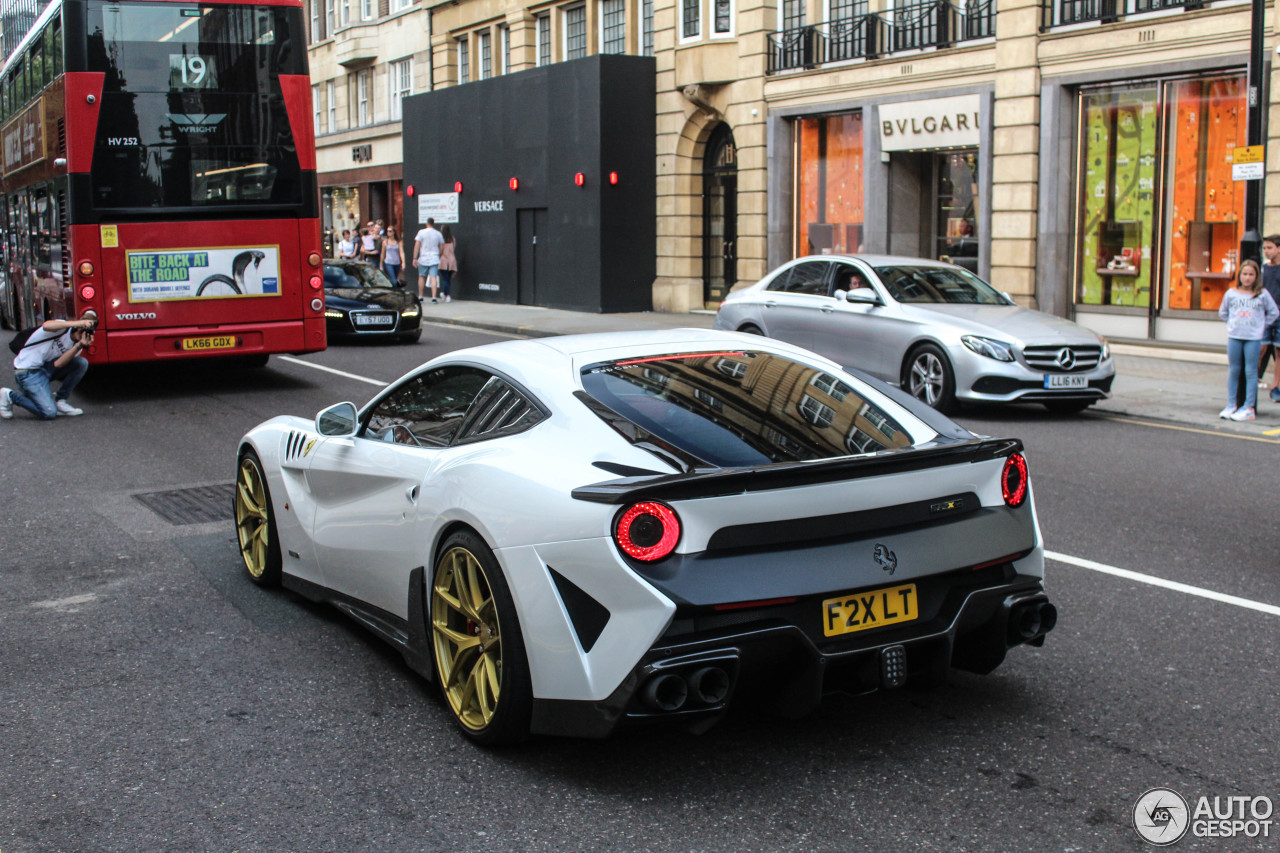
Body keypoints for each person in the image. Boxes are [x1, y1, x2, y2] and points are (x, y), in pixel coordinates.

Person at [1, 310, 98, 420]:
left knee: (81, 363)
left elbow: (58, 364)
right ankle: (9, 396)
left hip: (44, 370)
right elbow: (46, 325)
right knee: (49, 412)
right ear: (80, 326)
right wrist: (77, 323)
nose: (86, 334)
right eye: (85, 330)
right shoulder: (62, 327)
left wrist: (80, 344)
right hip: (27, 372)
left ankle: (61, 401)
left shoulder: (78, 344)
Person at [1218, 259, 1279, 422]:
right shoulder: (1231, 293)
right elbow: (1223, 312)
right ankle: (1232, 404)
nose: (1247, 278)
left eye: (1251, 274)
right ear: (1239, 276)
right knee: (1234, 370)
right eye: (1245, 274)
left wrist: (1262, 326)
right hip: (1235, 337)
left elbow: (1273, 312)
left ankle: (1248, 407)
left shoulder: (1262, 294)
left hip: (1253, 338)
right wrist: (1232, 324)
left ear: (1256, 276)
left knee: (1251, 372)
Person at [1258, 234, 1280, 402]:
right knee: (1261, 348)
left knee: (1279, 353)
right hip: (1265, 314)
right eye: (1264, 248)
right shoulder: (1264, 268)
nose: (1266, 251)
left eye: (1270, 248)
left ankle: (1276, 387)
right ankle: (1251, 381)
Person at [413, 218, 445, 303]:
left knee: (421, 276)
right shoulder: (438, 234)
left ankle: (420, 296)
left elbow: (417, 245)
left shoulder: (421, 232)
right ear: (433, 224)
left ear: (426, 224)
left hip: (423, 257)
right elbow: (442, 247)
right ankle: (434, 297)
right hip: (434, 257)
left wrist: (414, 258)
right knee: (433, 277)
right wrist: (439, 255)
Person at [438, 225, 457, 303]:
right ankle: (445, 293)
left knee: (445, 279)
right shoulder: (453, 239)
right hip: (452, 261)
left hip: (443, 261)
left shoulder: (441, 240)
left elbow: (440, 251)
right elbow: (454, 248)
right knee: (448, 279)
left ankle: (448, 295)